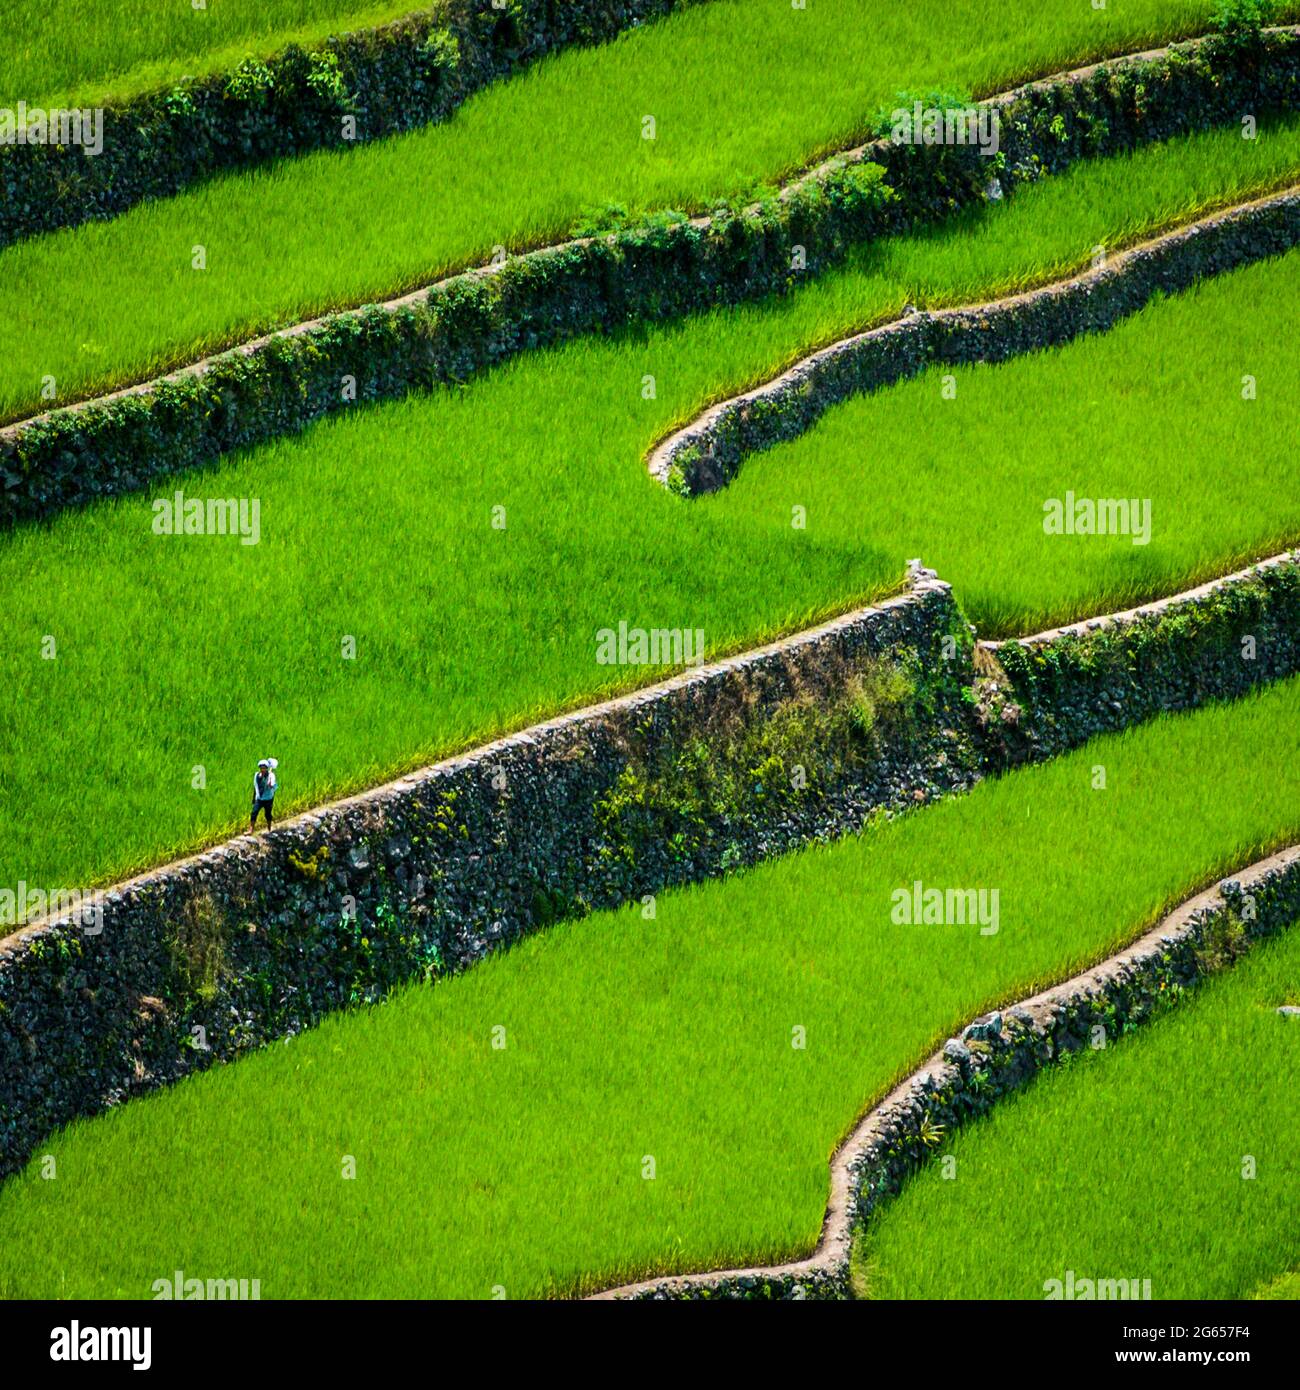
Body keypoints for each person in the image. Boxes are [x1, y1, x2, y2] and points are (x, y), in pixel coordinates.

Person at [250, 758, 278, 830]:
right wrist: (253, 798)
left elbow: (274, 785)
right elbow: (255, 786)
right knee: (254, 812)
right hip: (259, 798)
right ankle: (251, 830)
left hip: (268, 799)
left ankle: (269, 827)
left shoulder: (271, 775)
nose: (262, 770)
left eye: (264, 768)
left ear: (267, 768)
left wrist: (271, 785)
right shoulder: (256, 775)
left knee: (267, 814)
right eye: (261, 768)